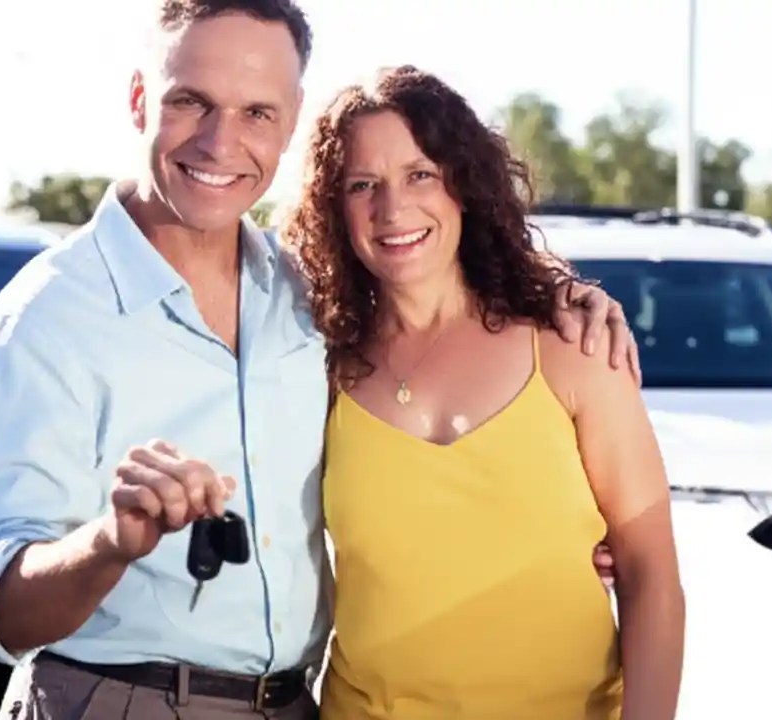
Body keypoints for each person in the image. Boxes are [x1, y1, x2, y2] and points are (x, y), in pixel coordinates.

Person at [0, 2, 637, 719]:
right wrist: (109, 545)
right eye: (190, 102)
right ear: (137, 99)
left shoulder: (306, 293)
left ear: (292, 118)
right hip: (117, 701)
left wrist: (559, 292)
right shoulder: (45, 321)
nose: (221, 143)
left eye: (257, 112)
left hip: (296, 705)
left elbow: (436, 298)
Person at [276, 65, 687, 719]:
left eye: (421, 174)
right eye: (363, 185)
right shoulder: (317, 364)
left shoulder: (572, 344)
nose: (393, 208)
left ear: (463, 184)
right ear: (334, 207)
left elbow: (651, 573)